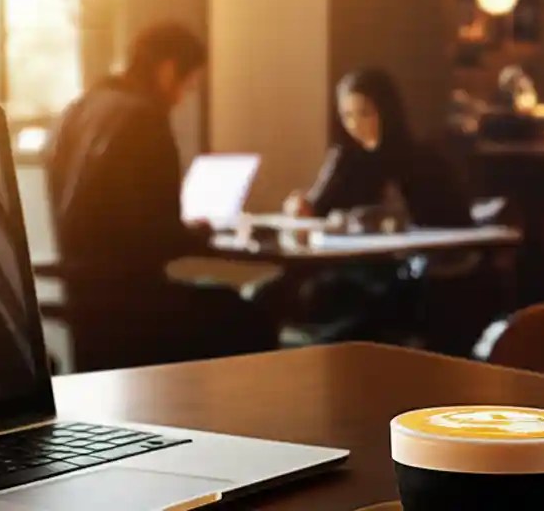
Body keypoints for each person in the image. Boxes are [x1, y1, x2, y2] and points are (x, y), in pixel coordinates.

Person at [46, 23, 273, 370]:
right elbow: (156, 236)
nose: (184, 96)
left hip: (75, 299)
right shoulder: (143, 119)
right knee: (246, 317)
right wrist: (199, 233)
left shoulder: (75, 112)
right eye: (190, 83)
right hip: (130, 306)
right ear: (168, 70)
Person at [286, 68, 472, 228]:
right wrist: (300, 206)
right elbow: (317, 207)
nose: (355, 124)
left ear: (386, 111)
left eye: (364, 114)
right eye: (347, 116)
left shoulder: (422, 159)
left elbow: (448, 216)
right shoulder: (344, 159)